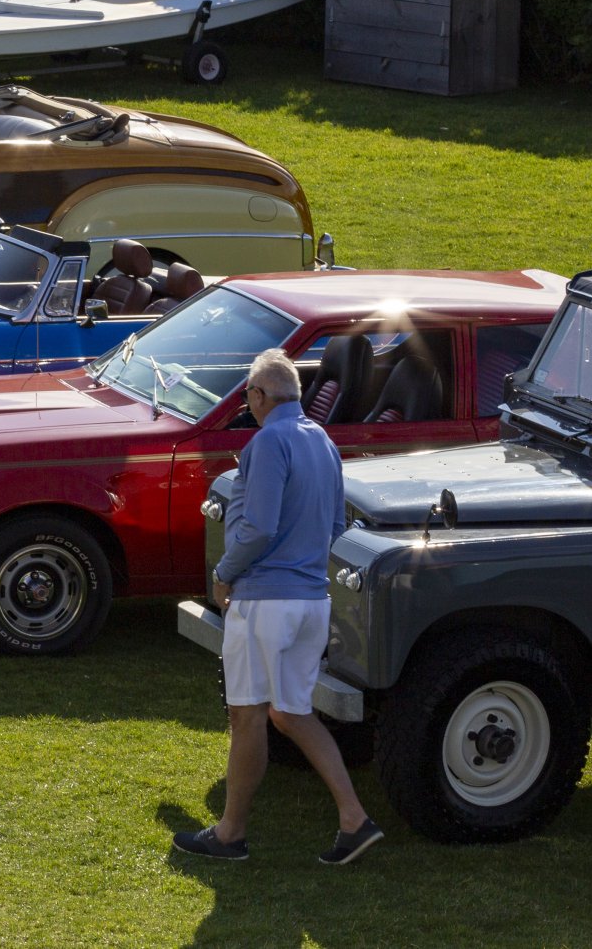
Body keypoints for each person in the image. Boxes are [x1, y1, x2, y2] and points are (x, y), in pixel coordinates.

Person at [173, 347, 382, 865]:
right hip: (311, 601)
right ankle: (354, 819)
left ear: (259, 395)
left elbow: (259, 527)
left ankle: (230, 834)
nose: (248, 403)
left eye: (249, 395)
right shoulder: (324, 442)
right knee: (291, 712)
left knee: (246, 717)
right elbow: (336, 527)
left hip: (265, 603)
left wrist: (223, 573)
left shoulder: (267, 442)